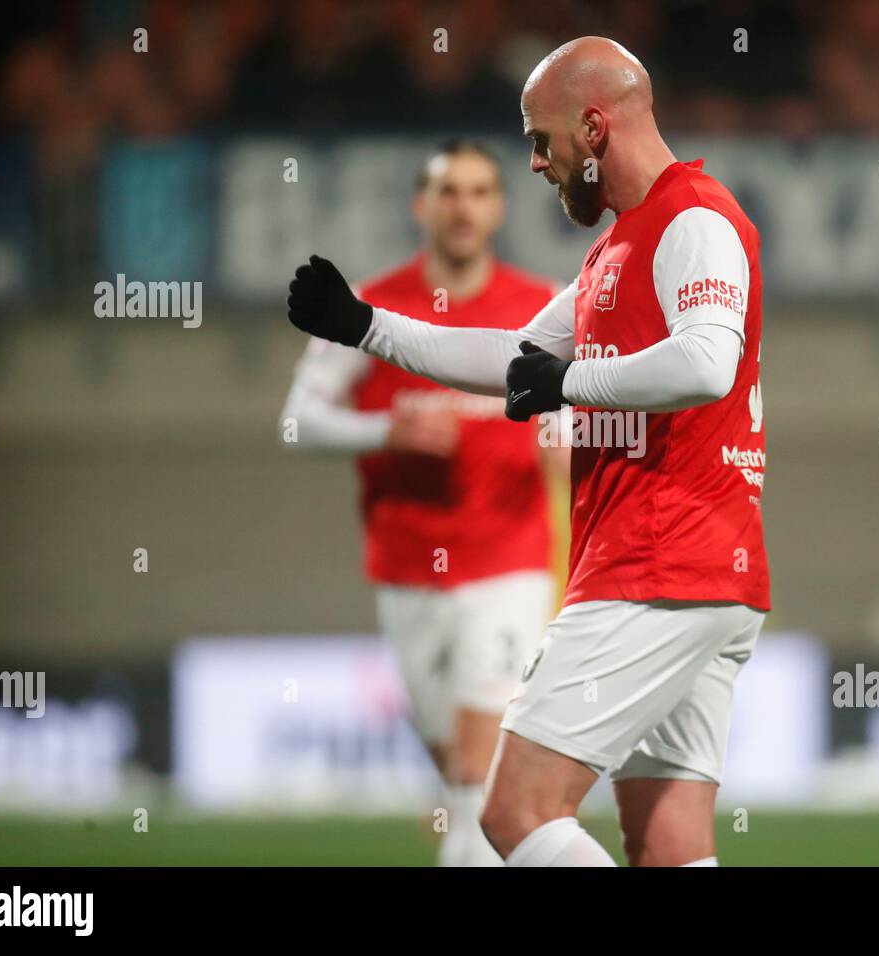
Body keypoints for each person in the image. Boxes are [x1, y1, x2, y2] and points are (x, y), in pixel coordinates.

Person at [286, 37, 769, 867]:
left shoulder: (695, 220)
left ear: (593, 127)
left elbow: (703, 363)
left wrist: (572, 380)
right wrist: (365, 326)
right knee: (667, 841)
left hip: (654, 566)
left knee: (512, 810)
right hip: (699, 574)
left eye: (542, 140)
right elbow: (513, 362)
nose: (538, 163)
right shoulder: (617, 247)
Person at [280, 139, 564, 866]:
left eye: (477, 192)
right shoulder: (368, 309)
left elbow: (585, 410)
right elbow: (296, 421)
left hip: (507, 566)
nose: (463, 207)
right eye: (448, 191)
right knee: (463, 779)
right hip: (407, 572)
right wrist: (388, 429)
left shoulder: (541, 307)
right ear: (421, 205)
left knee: (478, 768)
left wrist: (570, 439)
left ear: (498, 208)